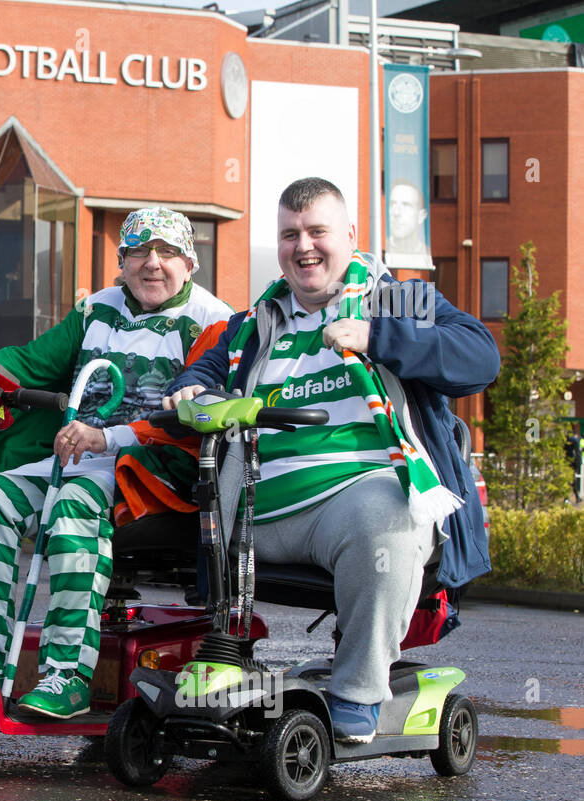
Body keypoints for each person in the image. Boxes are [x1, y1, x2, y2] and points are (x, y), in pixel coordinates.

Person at [164, 177, 499, 743]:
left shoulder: (395, 299)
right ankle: (225, 653)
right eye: (290, 235)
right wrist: (193, 390)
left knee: (387, 519)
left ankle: (359, 690)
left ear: (349, 235)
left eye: (317, 231)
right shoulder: (256, 320)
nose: (304, 246)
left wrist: (378, 335)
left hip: (352, 499)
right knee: (214, 471)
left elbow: (480, 356)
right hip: (256, 504)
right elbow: (202, 372)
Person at [0, 207, 233, 718]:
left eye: (167, 252)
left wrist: (107, 437)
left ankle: (67, 676)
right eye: (138, 252)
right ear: (121, 261)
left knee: (75, 502)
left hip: (159, 472)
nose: (152, 264)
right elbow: (24, 365)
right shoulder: (95, 310)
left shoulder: (215, 320)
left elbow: (200, 418)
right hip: (79, 459)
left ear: (189, 262)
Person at [386, 180, 429, 264]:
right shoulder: (378, 251)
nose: (396, 212)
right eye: (392, 204)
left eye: (406, 205)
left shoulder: (426, 255)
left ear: (421, 216)